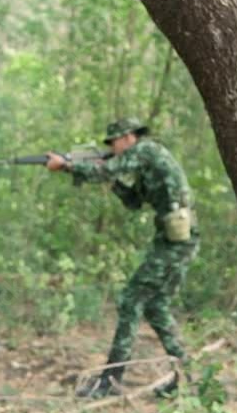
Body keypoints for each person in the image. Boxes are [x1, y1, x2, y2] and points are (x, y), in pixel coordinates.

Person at [46, 117, 198, 398]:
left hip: (177, 241)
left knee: (131, 299)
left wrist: (67, 165)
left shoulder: (146, 150)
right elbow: (133, 202)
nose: (112, 148)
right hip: (173, 239)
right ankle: (190, 378)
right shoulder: (142, 163)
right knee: (155, 307)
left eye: (113, 142)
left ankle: (110, 381)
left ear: (128, 137)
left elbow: (107, 170)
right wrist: (111, 179)